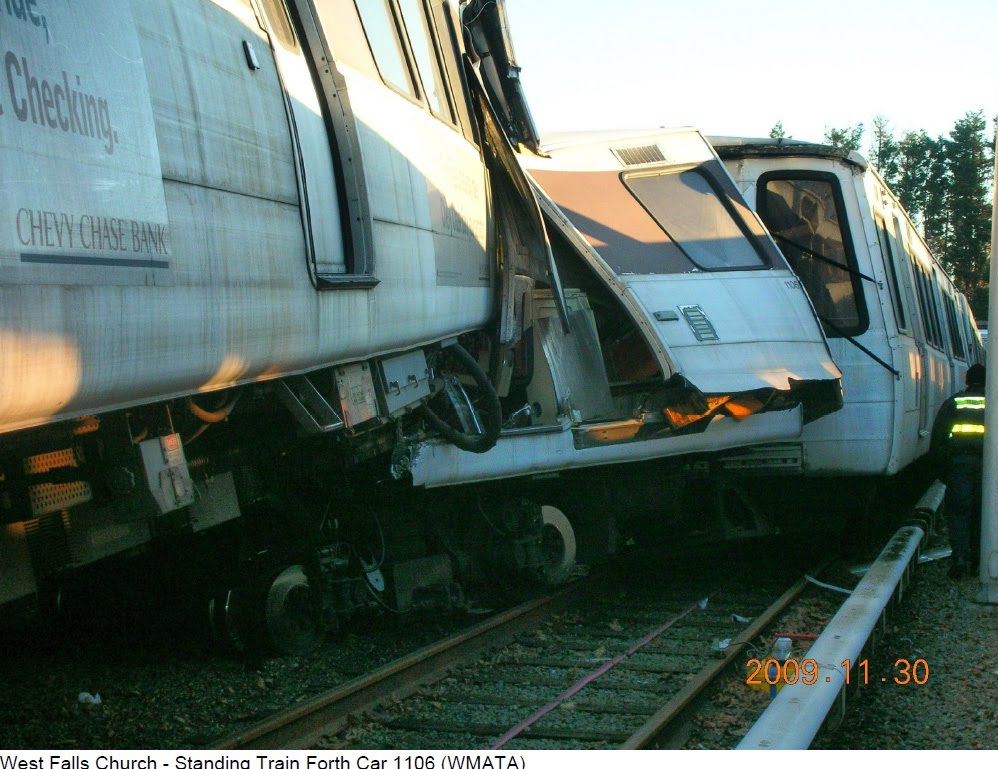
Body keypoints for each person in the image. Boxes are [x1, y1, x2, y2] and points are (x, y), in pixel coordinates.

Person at [930, 363, 986, 578]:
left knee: (959, 513)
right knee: (983, 512)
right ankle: (979, 560)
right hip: (988, 468)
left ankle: (960, 558)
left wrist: (944, 472)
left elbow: (937, 441)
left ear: (967, 380)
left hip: (959, 465)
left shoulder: (953, 403)